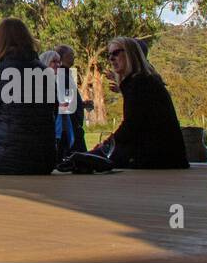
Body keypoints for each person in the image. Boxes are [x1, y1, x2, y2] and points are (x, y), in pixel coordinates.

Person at [0, 18, 57, 175]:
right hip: (44, 160)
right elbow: (52, 114)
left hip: (4, 158)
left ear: (0, 42)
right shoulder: (45, 72)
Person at [91, 37, 188, 169]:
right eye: (109, 55)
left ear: (130, 54)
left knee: (95, 160)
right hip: (166, 157)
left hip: (157, 158)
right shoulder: (142, 81)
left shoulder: (140, 84)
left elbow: (131, 126)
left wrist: (107, 145)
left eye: (116, 53)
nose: (111, 58)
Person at [40, 49, 77, 160]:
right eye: (54, 62)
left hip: (62, 129)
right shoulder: (40, 83)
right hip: (51, 130)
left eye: (59, 62)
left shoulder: (55, 81)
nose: (58, 65)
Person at [55, 44, 89, 153]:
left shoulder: (65, 74)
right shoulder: (62, 75)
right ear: (62, 56)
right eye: (71, 55)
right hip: (72, 126)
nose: (74, 57)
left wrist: (81, 104)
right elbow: (65, 103)